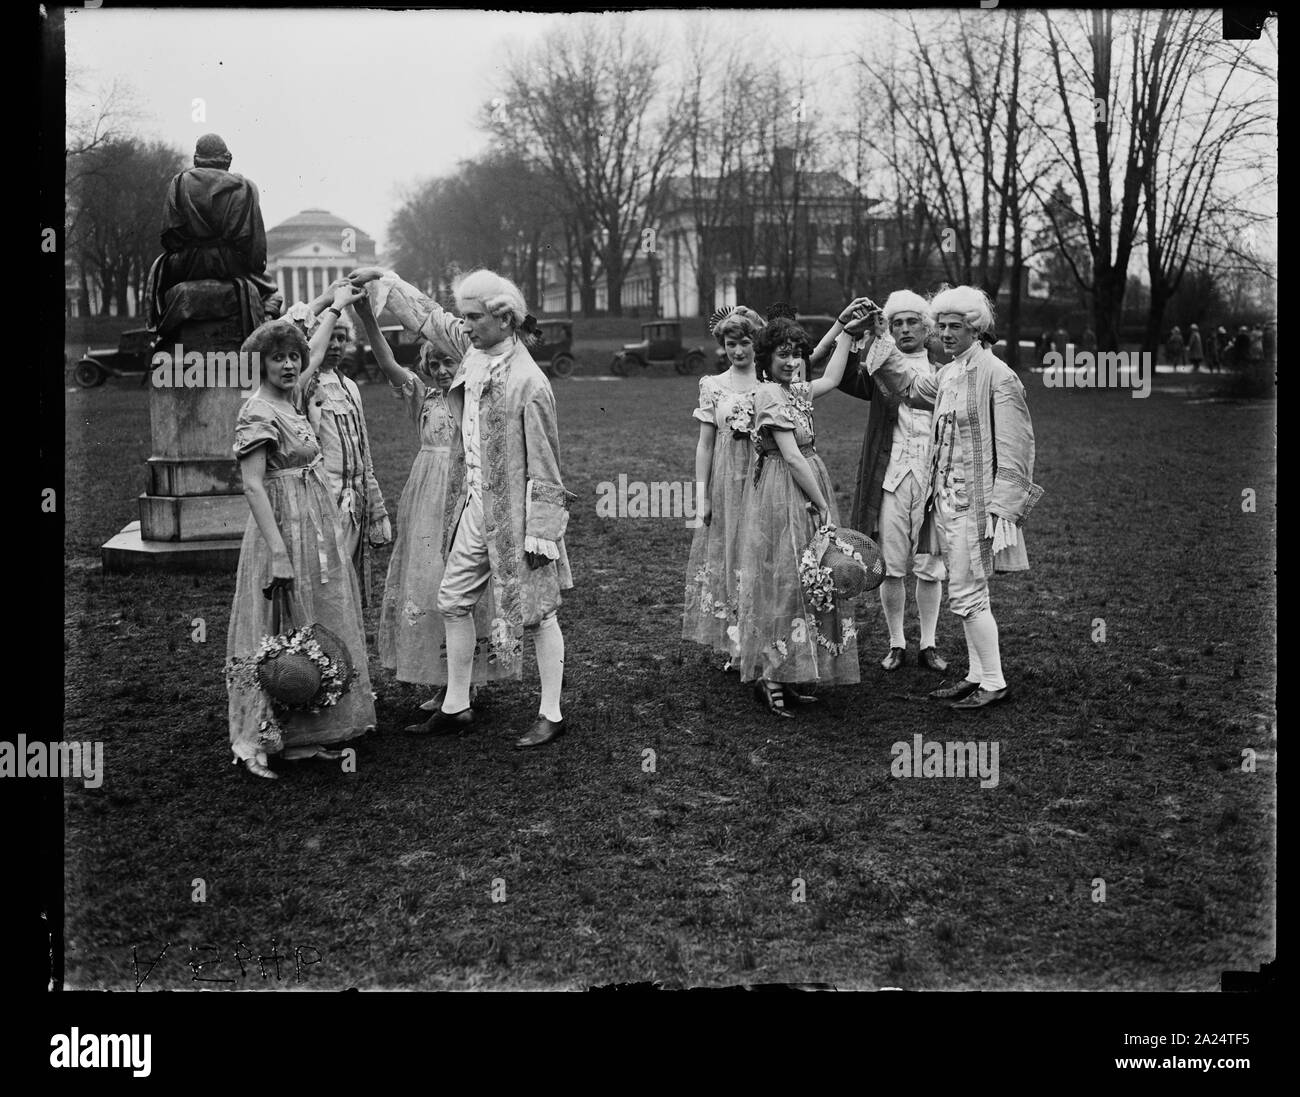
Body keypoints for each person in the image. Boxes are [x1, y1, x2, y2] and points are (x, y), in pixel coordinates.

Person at [348, 265, 573, 749]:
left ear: (505, 320)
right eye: (466, 318)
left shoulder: (530, 383)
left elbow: (547, 465)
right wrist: (383, 277)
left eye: (473, 318)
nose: (465, 325)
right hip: (472, 506)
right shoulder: (472, 348)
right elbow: (430, 318)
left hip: (516, 517)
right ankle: (455, 705)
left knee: (535, 613)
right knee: (452, 600)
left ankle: (551, 713)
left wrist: (543, 531)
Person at [864, 285, 1043, 711]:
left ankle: (994, 680)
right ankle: (977, 676)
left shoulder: (998, 375)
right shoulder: (950, 373)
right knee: (966, 590)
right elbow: (907, 387)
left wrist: (1004, 511)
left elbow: (1018, 448)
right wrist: (877, 339)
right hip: (944, 502)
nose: (944, 333)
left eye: (954, 326)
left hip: (978, 505)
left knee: (967, 593)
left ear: (976, 329)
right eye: (941, 326)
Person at [223, 317, 377, 779]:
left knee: (306, 622)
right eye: (277, 357)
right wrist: (278, 552)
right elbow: (252, 486)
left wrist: (336, 306)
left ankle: (302, 736)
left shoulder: (290, 403)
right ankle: (256, 739)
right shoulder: (257, 412)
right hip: (282, 530)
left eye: (294, 356)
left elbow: (315, 349)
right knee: (273, 626)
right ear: (261, 364)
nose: (289, 364)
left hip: (312, 525)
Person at [350, 300, 506, 709]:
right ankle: (444, 682)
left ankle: (464, 681)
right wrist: (368, 318)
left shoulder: (471, 397)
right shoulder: (423, 397)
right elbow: (387, 365)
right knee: (427, 581)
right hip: (424, 497)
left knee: (457, 582)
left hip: (462, 492)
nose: (440, 371)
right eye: (434, 364)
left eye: (448, 362)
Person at [735, 308, 870, 717]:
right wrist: (825, 504)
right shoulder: (768, 394)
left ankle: (788, 672)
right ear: (766, 360)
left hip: (807, 485)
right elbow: (792, 457)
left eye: (796, 354)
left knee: (806, 577)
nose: (792, 362)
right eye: (782, 355)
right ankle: (770, 674)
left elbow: (830, 378)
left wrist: (848, 331)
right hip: (786, 489)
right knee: (786, 577)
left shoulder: (795, 390)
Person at [836, 290, 948, 673]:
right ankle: (897, 642)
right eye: (896, 322)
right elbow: (844, 379)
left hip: (935, 478)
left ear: (926, 326)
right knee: (894, 564)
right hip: (892, 478)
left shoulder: (945, 369)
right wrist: (851, 334)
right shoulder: (879, 363)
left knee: (932, 564)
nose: (904, 329)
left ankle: (928, 643)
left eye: (911, 321)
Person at [294, 288, 391, 604]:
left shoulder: (350, 386)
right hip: (321, 498)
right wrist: (326, 302)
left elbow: (365, 452)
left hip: (355, 501)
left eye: (341, 338)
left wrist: (375, 505)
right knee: (323, 579)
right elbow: (289, 329)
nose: (335, 345)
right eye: (329, 337)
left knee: (346, 582)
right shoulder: (303, 382)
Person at [683, 305, 765, 666]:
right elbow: (705, 443)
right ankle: (736, 640)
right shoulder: (713, 386)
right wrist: (702, 495)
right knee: (731, 556)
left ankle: (762, 638)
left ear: (756, 343)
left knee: (761, 554)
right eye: (731, 343)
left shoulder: (770, 385)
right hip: (727, 481)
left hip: (764, 478)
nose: (738, 351)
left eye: (745, 342)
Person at [146, 134, 279, 341]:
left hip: (186, 266)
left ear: (196, 159)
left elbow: (169, 236)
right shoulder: (246, 187)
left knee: (160, 273)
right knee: (270, 291)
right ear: (227, 159)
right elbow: (255, 247)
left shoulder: (179, 182)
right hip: (231, 265)